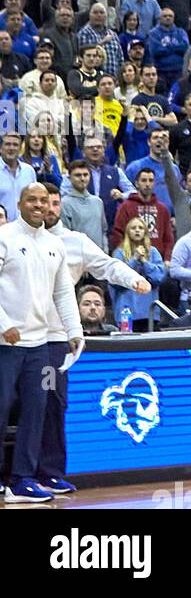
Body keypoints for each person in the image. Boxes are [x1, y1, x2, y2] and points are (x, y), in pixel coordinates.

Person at [38, 183, 148, 492]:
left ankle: (49, 472)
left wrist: (134, 277)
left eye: (55, 203)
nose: (49, 208)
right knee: (12, 403)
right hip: (16, 338)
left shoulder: (75, 242)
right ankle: (14, 474)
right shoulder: (18, 238)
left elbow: (106, 265)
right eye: (44, 202)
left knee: (52, 403)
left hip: (54, 338)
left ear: (61, 207)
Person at [0, 183, 83, 503]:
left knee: (37, 408)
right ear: (19, 203)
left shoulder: (55, 244)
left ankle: (22, 478)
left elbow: (62, 292)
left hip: (39, 344)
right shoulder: (5, 236)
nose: (38, 205)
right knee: (2, 405)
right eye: (31, 200)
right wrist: (5, 324)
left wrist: (74, 330)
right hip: (6, 343)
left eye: (44, 200)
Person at [110, 217, 167, 329]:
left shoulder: (153, 252)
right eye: (133, 228)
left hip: (149, 312)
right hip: (126, 311)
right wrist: (134, 260)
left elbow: (159, 278)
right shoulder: (119, 253)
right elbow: (115, 280)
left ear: (145, 232)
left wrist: (144, 262)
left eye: (140, 228)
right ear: (127, 232)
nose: (137, 230)